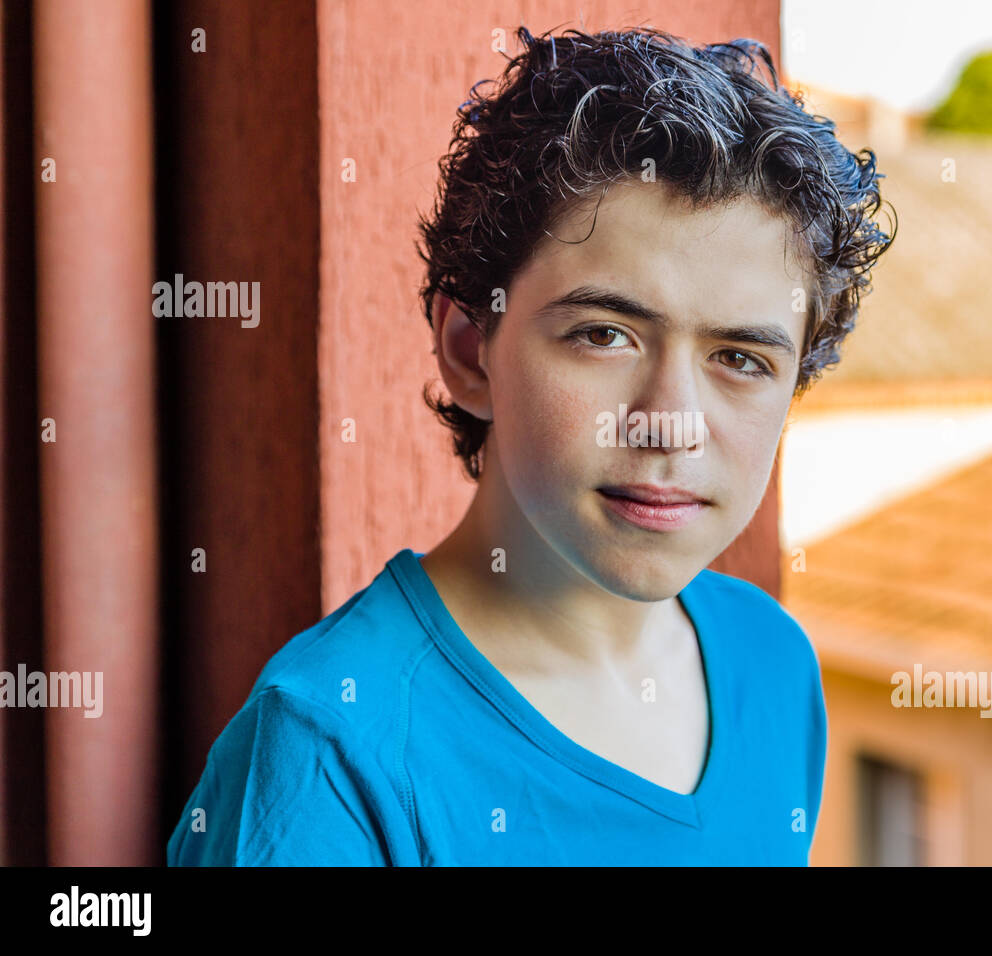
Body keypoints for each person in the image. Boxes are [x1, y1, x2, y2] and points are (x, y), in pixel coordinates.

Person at [167, 23, 892, 866]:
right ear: (472, 350)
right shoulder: (330, 751)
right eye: (603, 334)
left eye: (740, 358)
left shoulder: (771, 662)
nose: (671, 422)